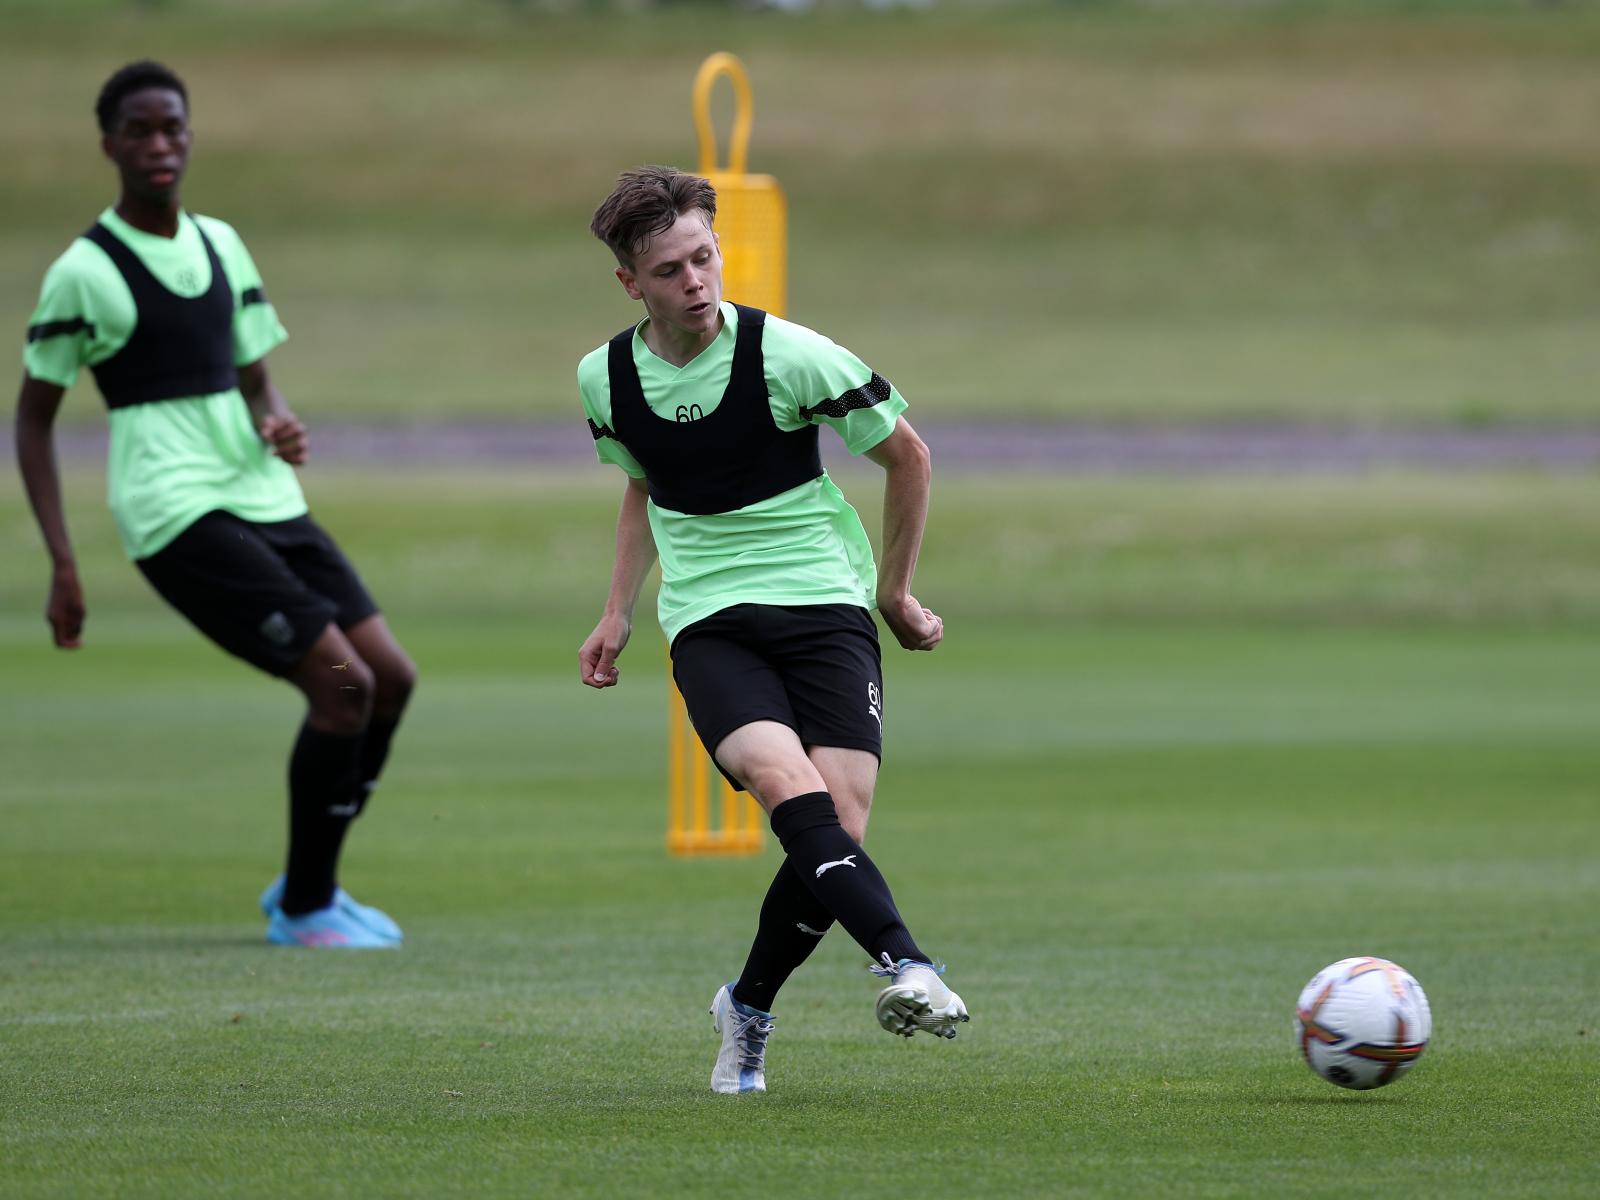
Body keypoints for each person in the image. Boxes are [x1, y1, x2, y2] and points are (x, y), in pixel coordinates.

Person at [577, 165, 969, 1094]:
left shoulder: (788, 354)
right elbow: (644, 483)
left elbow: (907, 454)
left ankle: (746, 1005)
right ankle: (906, 962)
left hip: (825, 610)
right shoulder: (604, 377)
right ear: (631, 283)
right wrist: (617, 610)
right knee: (780, 780)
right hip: (711, 621)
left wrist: (896, 592)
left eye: (705, 258)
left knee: (837, 822)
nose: (697, 283)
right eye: (670, 270)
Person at [14, 61, 415, 949]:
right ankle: (308, 907)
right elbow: (33, 419)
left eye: (174, 129)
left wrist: (275, 420)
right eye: (142, 131)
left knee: (390, 679)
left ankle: (311, 886)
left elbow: (254, 370)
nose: (160, 145)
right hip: (175, 511)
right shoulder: (82, 272)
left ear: (189, 137)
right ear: (110, 145)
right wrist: (64, 561)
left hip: (260, 490)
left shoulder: (221, 243)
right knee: (342, 685)